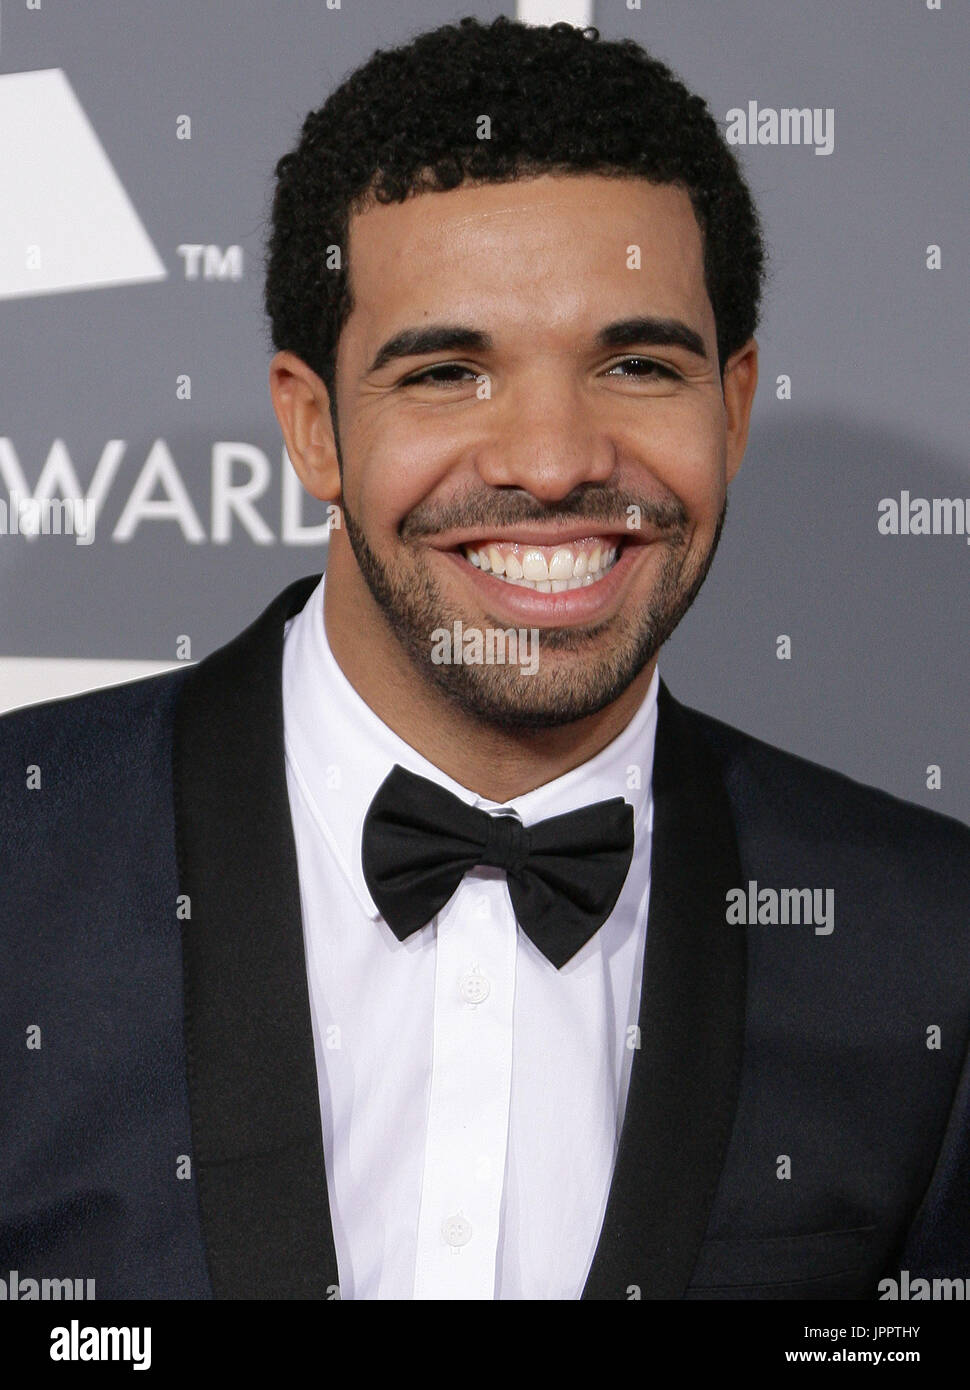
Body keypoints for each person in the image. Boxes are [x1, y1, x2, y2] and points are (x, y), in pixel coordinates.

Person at [1, 15, 968, 1302]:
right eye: (450, 372)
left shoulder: (925, 946)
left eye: (635, 363)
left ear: (733, 408)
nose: (554, 458)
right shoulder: (25, 861)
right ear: (313, 425)